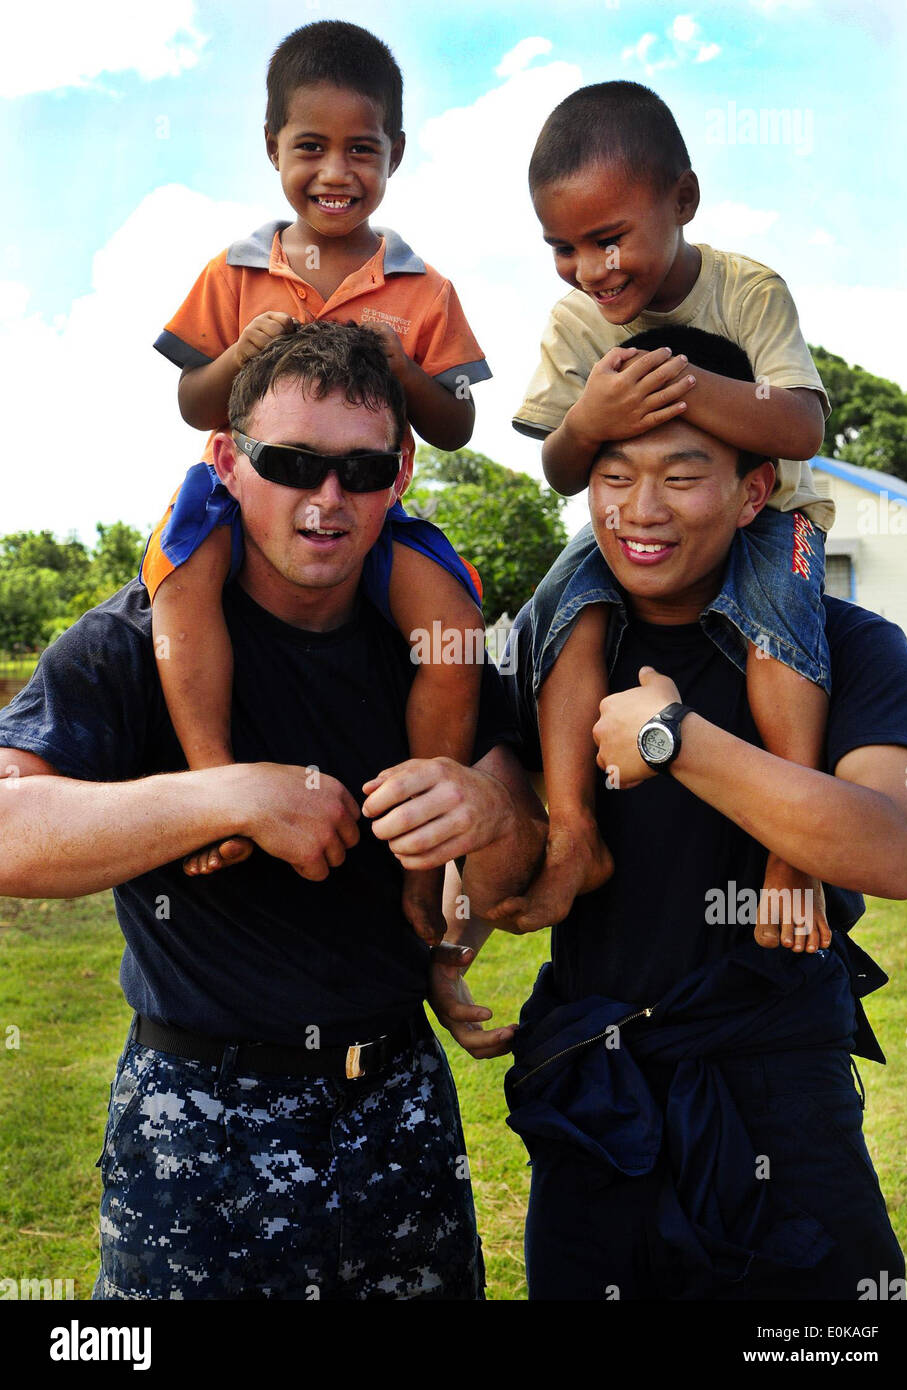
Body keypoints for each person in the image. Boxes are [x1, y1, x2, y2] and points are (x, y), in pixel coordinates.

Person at [0, 323, 545, 1301]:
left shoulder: (437, 650)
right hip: (196, 1117)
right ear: (227, 462)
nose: (326, 500)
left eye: (360, 469)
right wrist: (231, 792)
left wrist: (493, 812)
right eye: (290, 463)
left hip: (398, 1104)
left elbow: (522, 885)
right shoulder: (125, 647)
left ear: (403, 470)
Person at [492, 326, 907, 1300]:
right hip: (595, 1094)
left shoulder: (851, 644)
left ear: (753, 492)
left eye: (681, 476)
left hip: (779, 1096)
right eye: (613, 474)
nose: (639, 511)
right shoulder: (557, 645)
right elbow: (496, 834)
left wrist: (678, 740)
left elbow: (895, 850)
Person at [145, 20, 491, 946]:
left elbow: (455, 424)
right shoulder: (237, 269)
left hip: (369, 505)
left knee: (454, 627)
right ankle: (214, 784)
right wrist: (237, 361)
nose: (336, 172)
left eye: (361, 150)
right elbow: (191, 401)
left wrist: (406, 373)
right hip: (241, 494)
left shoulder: (422, 289)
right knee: (182, 585)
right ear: (273, 151)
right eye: (311, 147)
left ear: (396, 156)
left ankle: (423, 849)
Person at [508, 81, 834, 943]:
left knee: (780, 607)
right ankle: (575, 828)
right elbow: (556, 466)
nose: (590, 270)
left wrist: (679, 379)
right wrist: (590, 423)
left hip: (765, 516)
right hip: (634, 530)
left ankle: (787, 849)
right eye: (563, 247)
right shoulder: (575, 324)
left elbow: (801, 425)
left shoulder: (747, 291)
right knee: (564, 604)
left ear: (682, 200)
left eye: (610, 239)